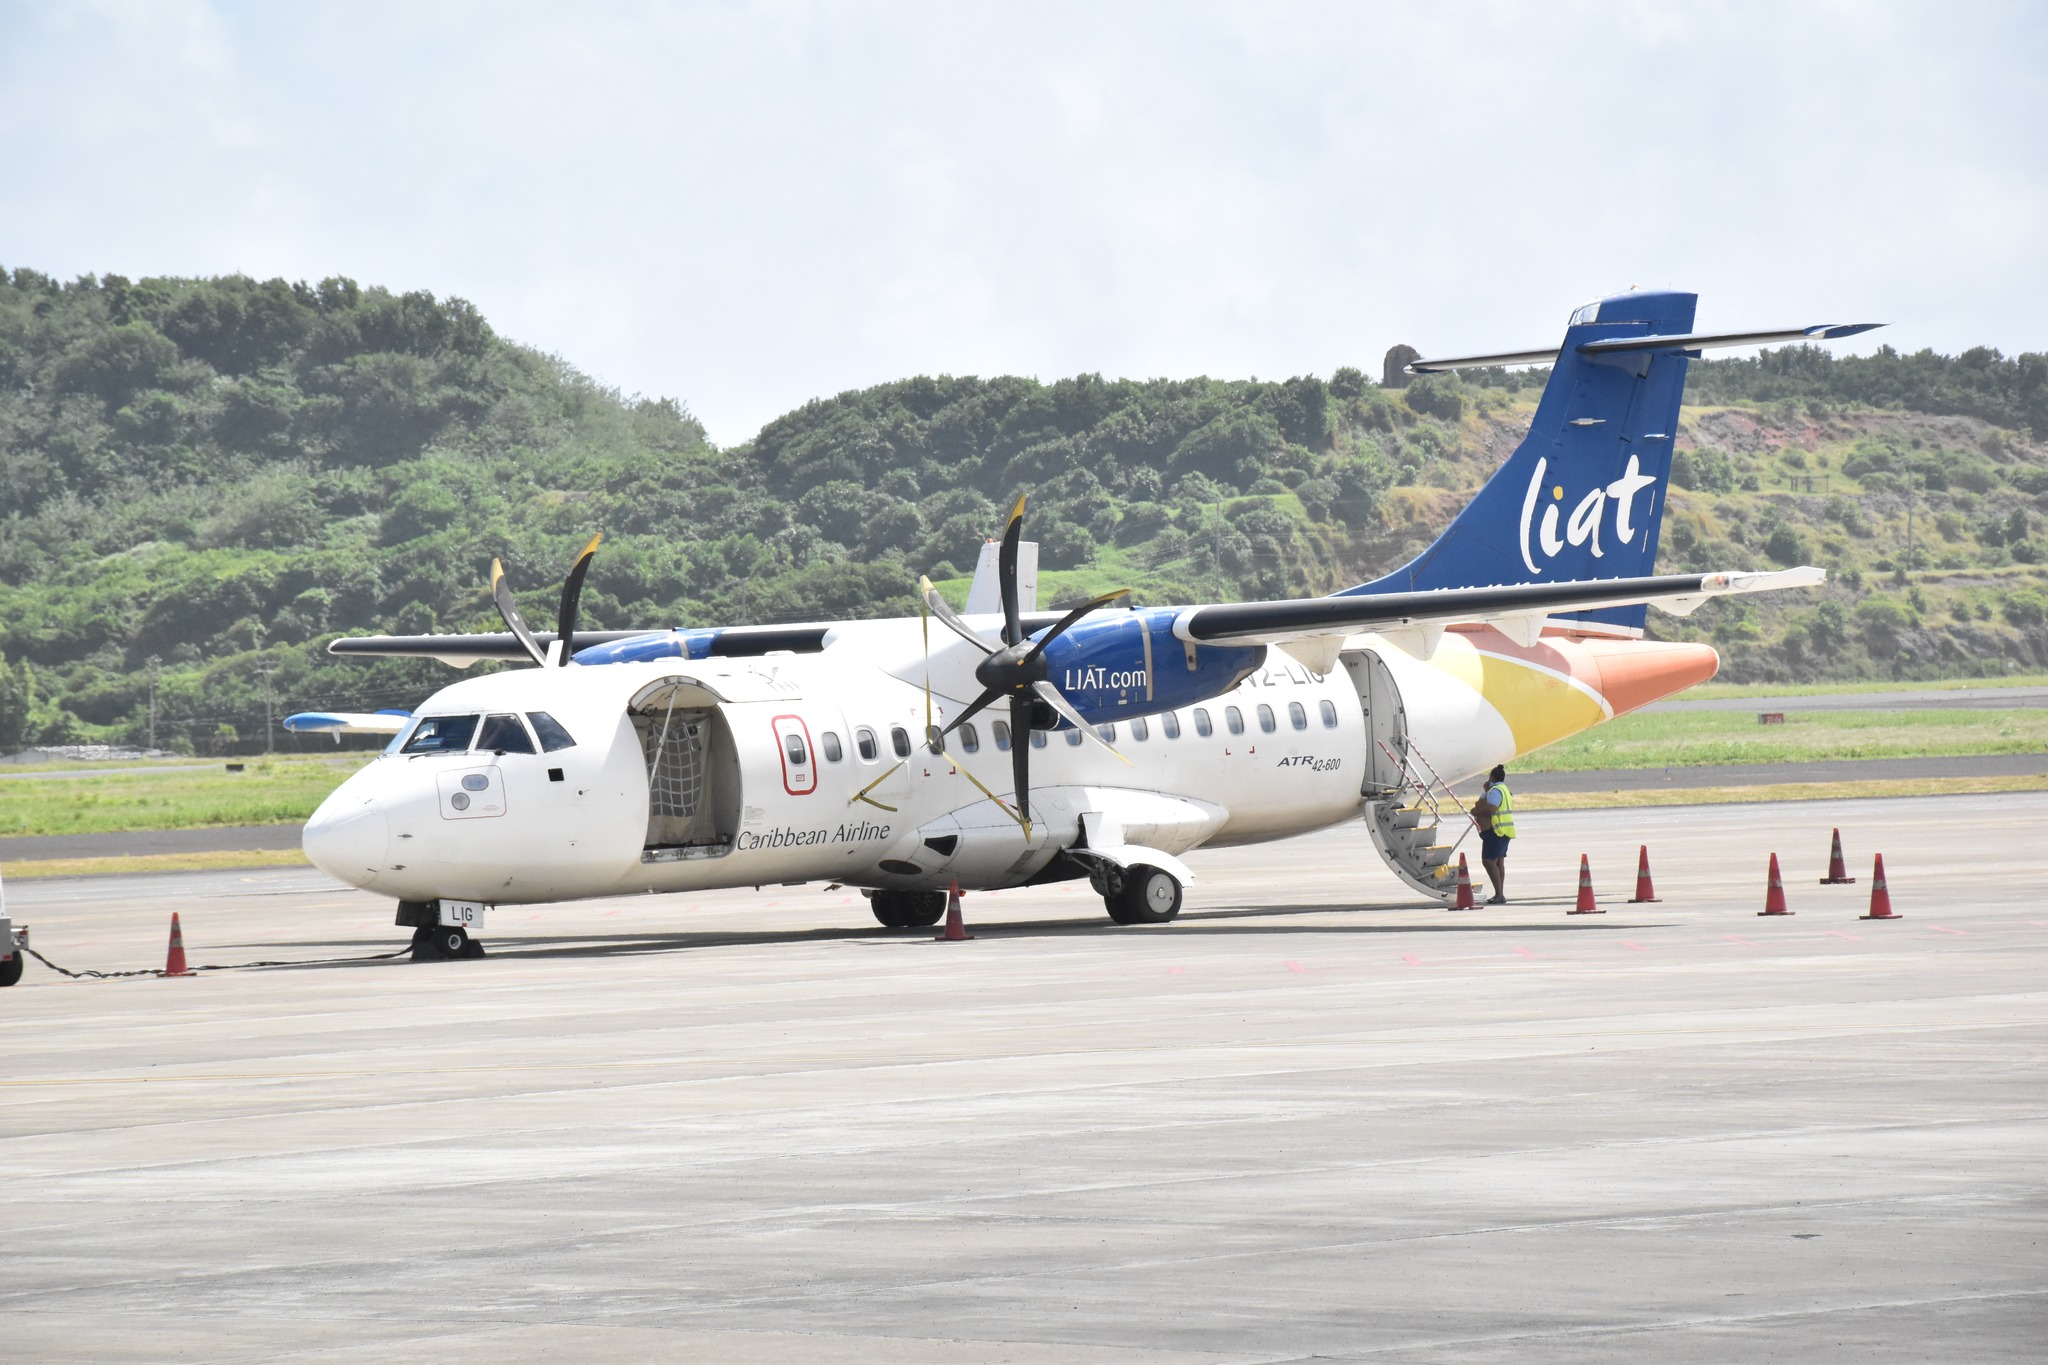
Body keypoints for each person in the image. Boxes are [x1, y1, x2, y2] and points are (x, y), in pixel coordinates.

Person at [1469, 764, 1515, 905]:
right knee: (1499, 862)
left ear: (1491, 777)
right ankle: (1500, 893)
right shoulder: (1504, 789)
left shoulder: (1495, 791)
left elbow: (1492, 808)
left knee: (1489, 862)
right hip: (1504, 830)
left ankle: (1499, 894)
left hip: (1496, 830)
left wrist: (1477, 810)